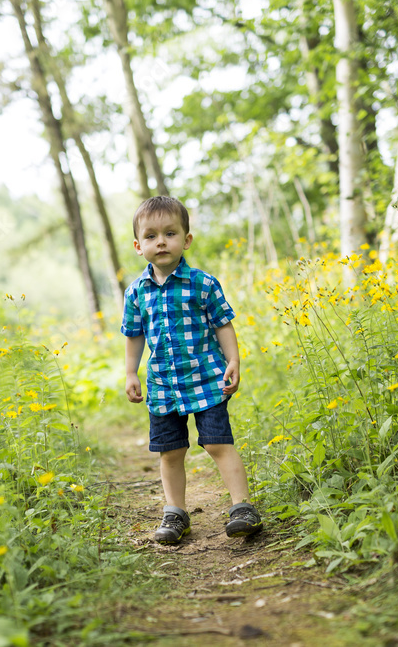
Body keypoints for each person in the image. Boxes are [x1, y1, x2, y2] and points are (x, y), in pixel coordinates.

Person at [121, 195, 263, 545]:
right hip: (164, 386)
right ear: (139, 246)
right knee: (170, 452)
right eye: (152, 236)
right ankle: (175, 513)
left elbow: (223, 324)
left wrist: (234, 360)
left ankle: (242, 507)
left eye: (170, 233)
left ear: (186, 240)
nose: (161, 241)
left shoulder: (201, 283)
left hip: (207, 380)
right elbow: (134, 335)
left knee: (217, 443)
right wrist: (131, 373)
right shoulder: (136, 292)